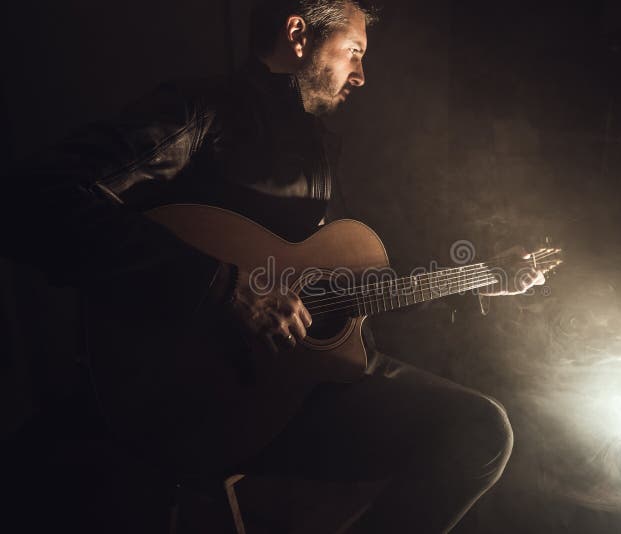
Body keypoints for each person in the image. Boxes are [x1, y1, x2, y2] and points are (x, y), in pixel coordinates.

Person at [2, 1, 544, 532]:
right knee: (476, 430)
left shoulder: (316, 147)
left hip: (285, 389)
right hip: (191, 402)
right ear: (298, 34)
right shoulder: (202, 110)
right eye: (353, 51)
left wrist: (480, 278)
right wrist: (221, 288)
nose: (361, 75)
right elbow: (35, 198)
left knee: (479, 429)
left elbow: (347, 287)